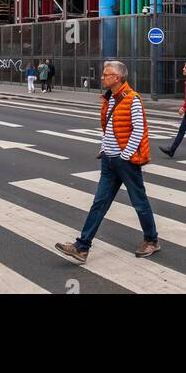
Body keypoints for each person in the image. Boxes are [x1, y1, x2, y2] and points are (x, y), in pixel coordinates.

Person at [56, 60, 160, 264]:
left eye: (106, 74)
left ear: (118, 78)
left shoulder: (133, 99)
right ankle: (82, 247)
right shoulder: (109, 99)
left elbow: (139, 130)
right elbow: (108, 127)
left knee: (139, 202)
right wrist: (105, 149)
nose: (102, 77)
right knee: (99, 203)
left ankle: (152, 240)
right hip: (109, 161)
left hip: (126, 162)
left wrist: (125, 155)